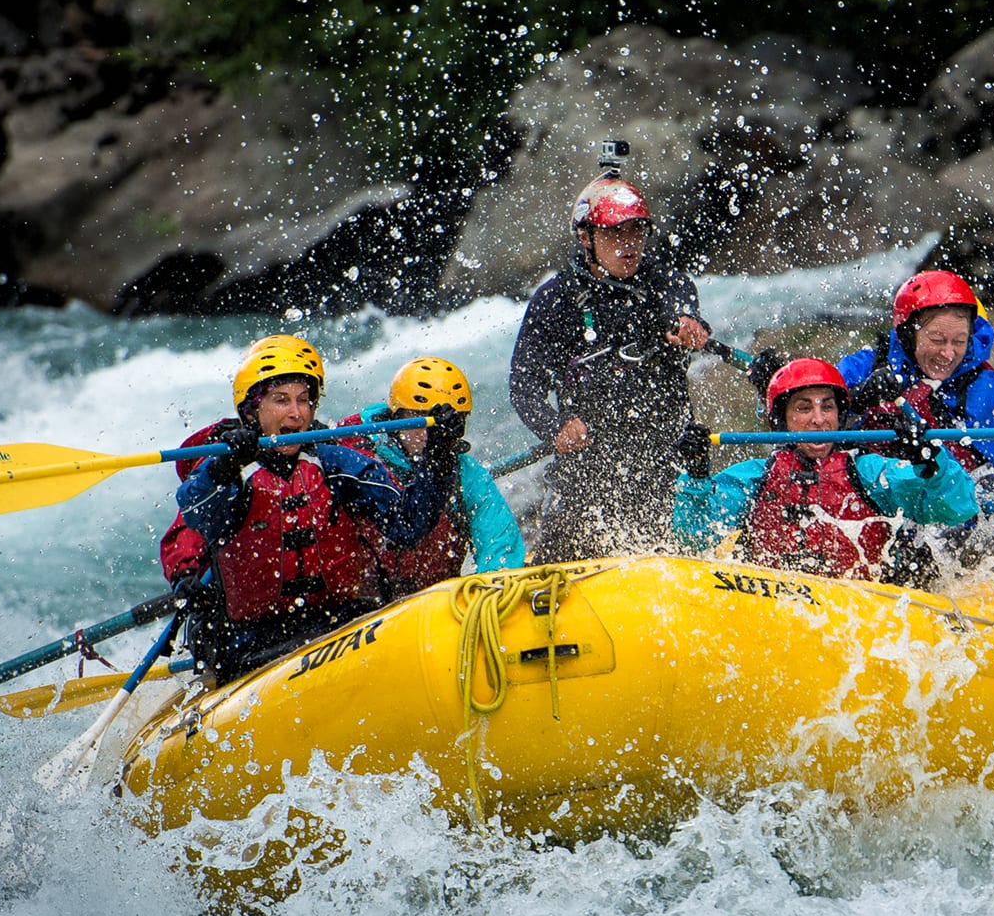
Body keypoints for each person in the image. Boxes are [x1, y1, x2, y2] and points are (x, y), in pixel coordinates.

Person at [163, 334, 461, 682]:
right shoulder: (230, 471)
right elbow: (196, 514)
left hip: (341, 625)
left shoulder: (331, 461)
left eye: (304, 400)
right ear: (251, 409)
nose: (296, 413)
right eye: (281, 400)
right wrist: (223, 468)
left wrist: (438, 457)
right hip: (250, 646)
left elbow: (407, 526)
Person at [770, 270, 994, 574]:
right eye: (936, 339)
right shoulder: (868, 366)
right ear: (909, 333)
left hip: (951, 523)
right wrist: (858, 398)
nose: (947, 353)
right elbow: (799, 423)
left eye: (959, 341)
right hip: (870, 509)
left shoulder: (986, 393)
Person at [509, 166, 711, 562]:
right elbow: (524, 386)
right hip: (584, 470)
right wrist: (555, 427)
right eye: (614, 233)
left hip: (662, 462)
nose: (628, 244)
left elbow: (681, 305)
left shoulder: (664, 281)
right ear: (585, 237)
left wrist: (688, 323)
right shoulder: (554, 300)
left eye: (636, 232)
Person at [671, 357, 978, 584]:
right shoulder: (755, 476)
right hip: (767, 609)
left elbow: (957, 508)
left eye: (827, 407)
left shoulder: (869, 473)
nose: (819, 420)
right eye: (804, 408)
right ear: (782, 420)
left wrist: (930, 460)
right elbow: (693, 538)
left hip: (858, 615)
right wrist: (696, 476)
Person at [339, 355, 526, 595]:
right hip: (363, 609)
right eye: (422, 418)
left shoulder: (466, 473)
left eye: (444, 423)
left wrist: (492, 595)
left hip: (434, 603)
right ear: (397, 416)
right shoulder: (356, 458)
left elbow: (500, 546)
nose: (430, 433)